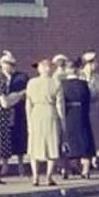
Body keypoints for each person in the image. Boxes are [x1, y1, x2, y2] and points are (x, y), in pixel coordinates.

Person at [26, 57, 66, 187]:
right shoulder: (56, 83)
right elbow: (60, 105)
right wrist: (62, 122)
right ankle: (49, 177)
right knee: (52, 144)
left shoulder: (31, 83)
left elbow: (28, 103)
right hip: (50, 112)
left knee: (34, 146)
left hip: (36, 113)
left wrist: (28, 121)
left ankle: (35, 177)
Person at [60, 58, 96, 178]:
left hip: (68, 114)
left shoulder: (62, 85)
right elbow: (88, 99)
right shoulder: (83, 84)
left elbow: (60, 102)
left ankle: (66, 169)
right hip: (81, 114)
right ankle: (85, 170)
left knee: (68, 141)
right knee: (85, 141)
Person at [0, 50, 30, 178]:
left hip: (18, 111)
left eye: (13, 64)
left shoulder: (21, 77)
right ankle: (4, 164)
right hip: (3, 112)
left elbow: (27, 92)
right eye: (8, 64)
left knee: (19, 138)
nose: (11, 67)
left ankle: (20, 164)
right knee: (4, 138)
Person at [81, 50, 99, 170]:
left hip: (94, 107)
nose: (97, 64)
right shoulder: (80, 75)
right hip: (83, 108)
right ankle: (84, 159)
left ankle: (95, 159)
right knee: (85, 134)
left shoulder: (96, 77)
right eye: (94, 62)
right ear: (88, 63)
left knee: (95, 134)